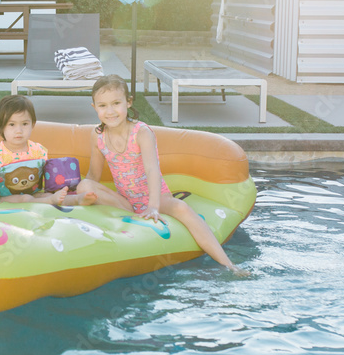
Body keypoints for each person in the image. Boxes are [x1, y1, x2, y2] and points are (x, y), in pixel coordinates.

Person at [75, 75, 248, 275]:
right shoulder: (98, 135)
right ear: (94, 107)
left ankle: (228, 264)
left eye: (116, 103)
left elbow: (152, 170)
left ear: (128, 102)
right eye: (103, 106)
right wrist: (78, 195)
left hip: (156, 197)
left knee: (182, 208)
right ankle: (128, 216)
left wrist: (154, 207)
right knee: (84, 185)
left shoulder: (141, 132)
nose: (110, 111)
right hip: (126, 202)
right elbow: (93, 175)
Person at [0, 95, 94, 206]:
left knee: (45, 194)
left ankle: (77, 199)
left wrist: (57, 190)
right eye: (12, 124)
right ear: (1, 127)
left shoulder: (38, 151)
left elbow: (49, 180)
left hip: (33, 193)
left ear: (33, 124)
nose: (19, 130)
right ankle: (49, 201)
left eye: (24, 124)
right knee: (25, 198)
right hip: (3, 199)